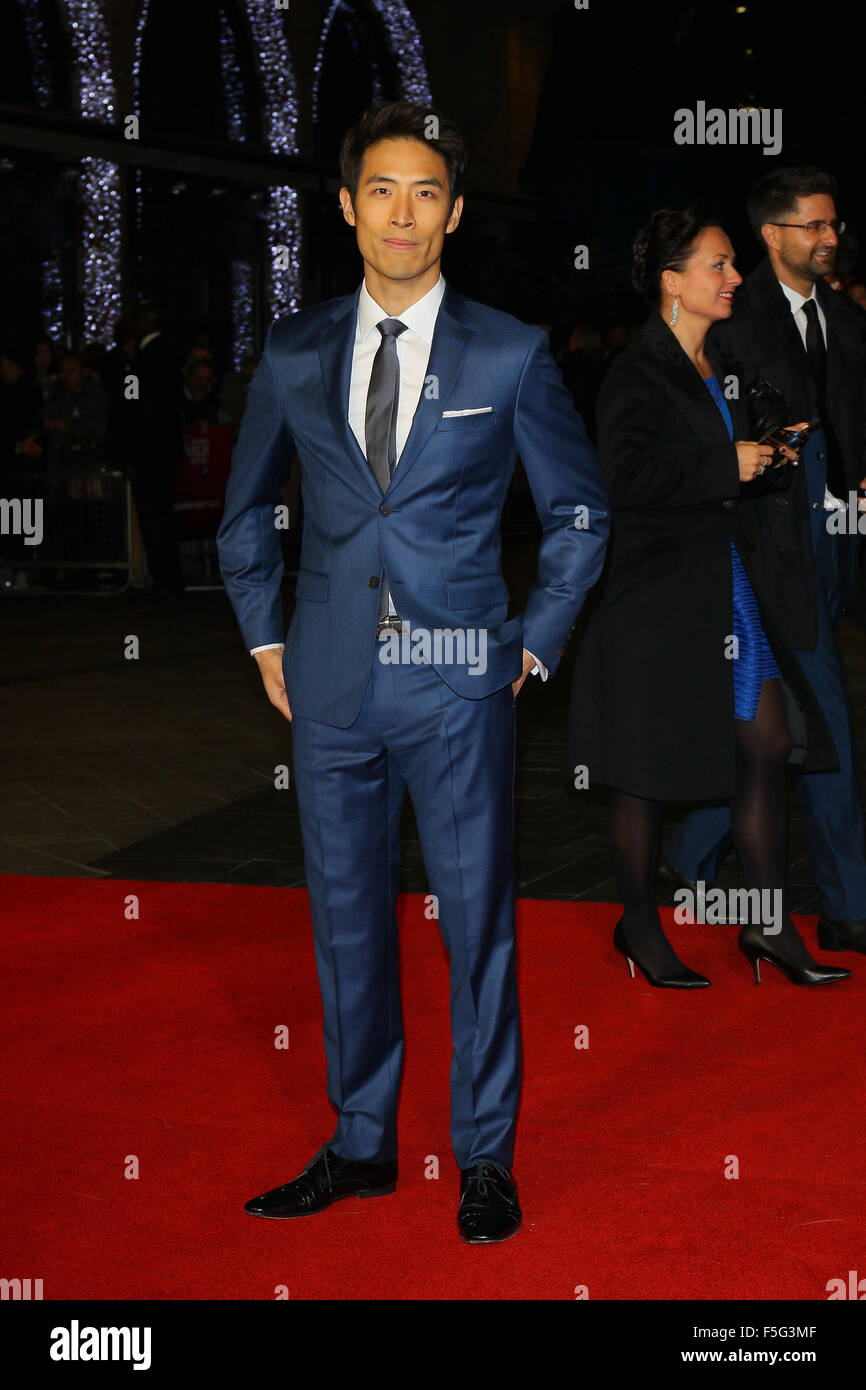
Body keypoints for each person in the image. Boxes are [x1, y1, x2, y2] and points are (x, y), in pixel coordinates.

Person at [217, 99, 609, 1243]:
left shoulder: (510, 350)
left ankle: (484, 1155)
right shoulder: (292, 350)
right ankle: (361, 1142)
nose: (402, 212)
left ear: (451, 213)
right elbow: (243, 516)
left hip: (457, 684)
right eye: (380, 189)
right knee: (347, 923)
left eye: (425, 191)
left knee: (476, 923)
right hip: (328, 686)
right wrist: (263, 636)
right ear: (346, 208)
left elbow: (580, 510)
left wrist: (531, 642)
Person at [567, 207, 851, 990]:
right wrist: (728, 462)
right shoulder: (636, 371)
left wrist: (774, 452)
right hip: (656, 598)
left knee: (765, 745)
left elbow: (732, 466)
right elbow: (626, 483)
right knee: (645, 771)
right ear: (672, 282)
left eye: (732, 265)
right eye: (718, 266)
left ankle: (767, 927)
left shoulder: (718, 358)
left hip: (727, 586)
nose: (733, 279)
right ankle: (638, 927)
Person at [660, 169, 866, 957]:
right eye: (813, 225)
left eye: (834, 224)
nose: (829, 238)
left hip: (836, 548)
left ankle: (688, 852)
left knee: (788, 728)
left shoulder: (845, 322)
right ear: (772, 234)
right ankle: (848, 905)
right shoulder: (730, 325)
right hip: (758, 556)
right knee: (824, 718)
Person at [125, 302, 185, 598]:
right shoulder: (167, 353)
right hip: (162, 450)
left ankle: (166, 583)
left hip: (150, 453)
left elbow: (142, 411)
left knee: (155, 518)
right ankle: (168, 581)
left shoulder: (148, 358)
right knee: (161, 516)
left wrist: (134, 453)